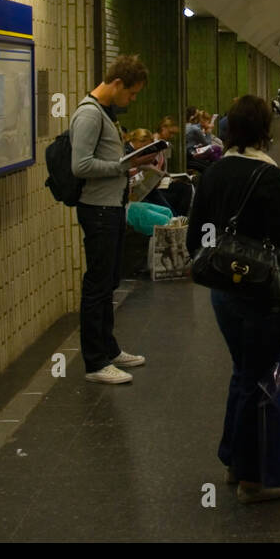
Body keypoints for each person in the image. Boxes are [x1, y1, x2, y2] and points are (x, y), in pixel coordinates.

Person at [187, 95, 280, 504]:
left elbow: (194, 238)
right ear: (264, 131)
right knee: (259, 381)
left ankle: (233, 462)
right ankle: (255, 481)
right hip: (260, 294)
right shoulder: (270, 176)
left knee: (244, 373)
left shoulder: (213, 173)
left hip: (224, 295)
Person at [70, 55, 156, 384]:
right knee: (97, 285)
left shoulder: (105, 113)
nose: (131, 100)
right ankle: (94, 362)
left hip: (112, 206)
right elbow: (81, 166)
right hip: (98, 210)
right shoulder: (89, 115)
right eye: (131, 93)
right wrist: (121, 167)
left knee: (108, 282)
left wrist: (132, 162)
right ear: (117, 84)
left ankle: (109, 347)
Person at [144, 116, 192, 216]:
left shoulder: (165, 145)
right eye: (171, 133)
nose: (172, 136)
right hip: (151, 185)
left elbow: (164, 167)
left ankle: (180, 218)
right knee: (184, 190)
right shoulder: (152, 144)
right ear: (163, 128)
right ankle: (177, 218)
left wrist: (170, 178)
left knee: (186, 187)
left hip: (159, 180)